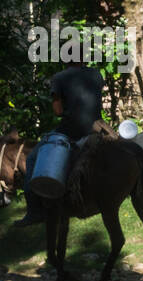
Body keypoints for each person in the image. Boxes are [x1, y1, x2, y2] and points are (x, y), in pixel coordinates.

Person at [14, 62, 105, 227]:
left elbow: (57, 111)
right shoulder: (96, 74)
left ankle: (34, 212)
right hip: (98, 127)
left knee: (32, 158)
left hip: (72, 129)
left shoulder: (60, 77)